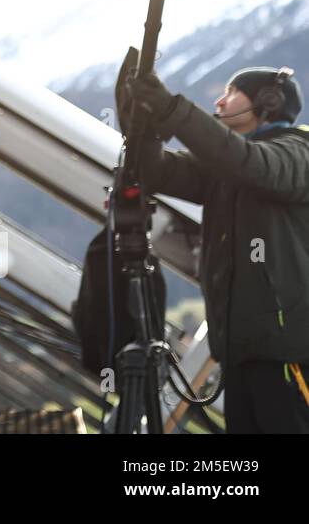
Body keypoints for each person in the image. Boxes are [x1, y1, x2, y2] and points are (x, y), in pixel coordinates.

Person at [119, 55, 309, 432]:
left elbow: (253, 165)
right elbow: (155, 171)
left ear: (268, 101)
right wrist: (142, 126)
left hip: (290, 354)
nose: (220, 102)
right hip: (241, 353)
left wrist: (172, 110)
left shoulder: (297, 151)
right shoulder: (228, 167)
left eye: (232, 92)